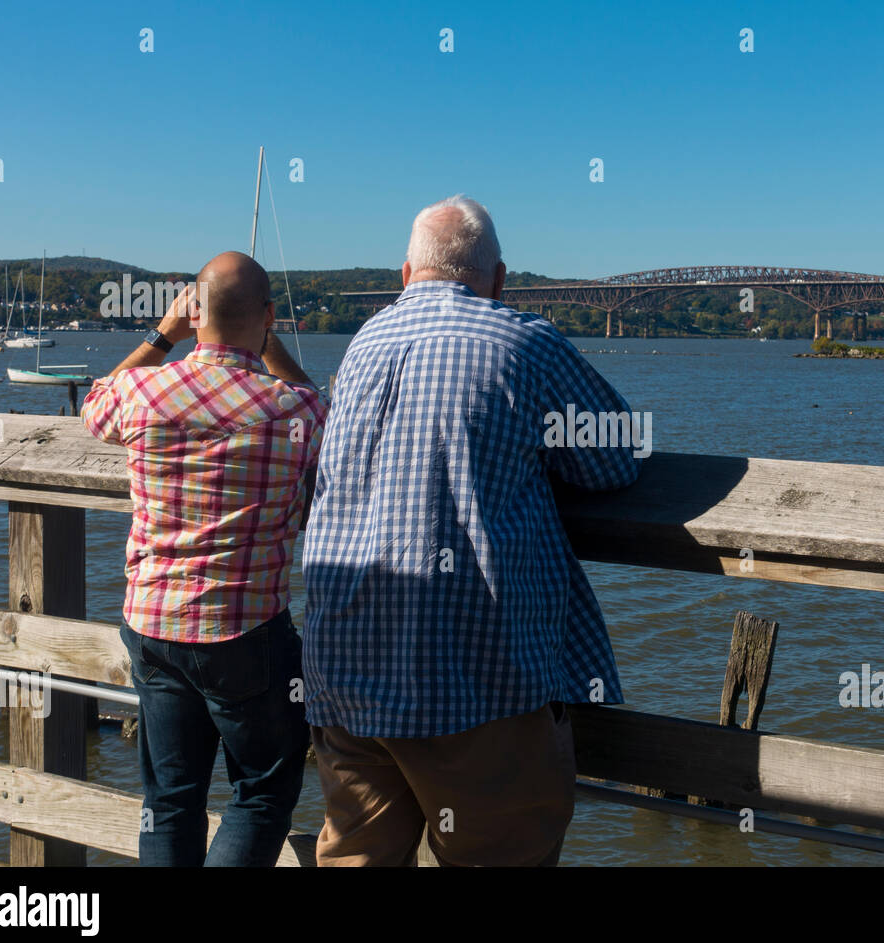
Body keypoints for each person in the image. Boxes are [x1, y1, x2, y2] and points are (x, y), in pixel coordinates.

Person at [303, 196, 644, 866]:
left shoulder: (364, 344)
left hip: (344, 669)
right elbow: (615, 459)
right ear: (499, 278)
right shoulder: (524, 340)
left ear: (406, 274)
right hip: (476, 677)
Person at [82, 252, 326, 866]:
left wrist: (163, 334)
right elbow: (325, 410)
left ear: (194, 311)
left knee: (169, 800)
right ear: (269, 317)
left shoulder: (140, 391)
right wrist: (269, 346)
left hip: (153, 626)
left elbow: (94, 405)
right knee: (263, 793)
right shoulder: (294, 411)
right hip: (247, 633)